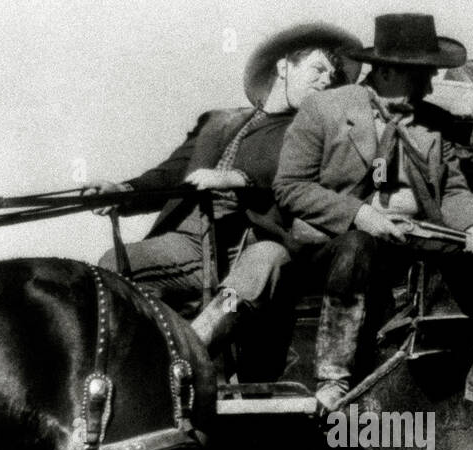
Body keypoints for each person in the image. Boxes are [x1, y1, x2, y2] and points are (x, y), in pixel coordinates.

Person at [273, 13, 473, 419]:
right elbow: (290, 187)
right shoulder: (323, 109)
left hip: (417, 239)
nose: (430, 85)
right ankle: (333, 380)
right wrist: (361, 214)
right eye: (420, 75)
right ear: (384, 69)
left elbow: (452, 190)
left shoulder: (434, 124)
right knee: (357, 244)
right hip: (340, 244)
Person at [86, 23, 360, 352]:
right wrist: (121, 190)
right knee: (114, 264)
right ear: (284, 66)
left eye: (332, 76)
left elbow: (304, 182)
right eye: (318, 69)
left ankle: (194, 348)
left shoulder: (315, 132)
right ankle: (145, 357)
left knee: (268, 259)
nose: (326, 80)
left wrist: (239, 179)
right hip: (188, 241)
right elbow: (172, 174)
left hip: (249, 243)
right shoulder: (219, 121)